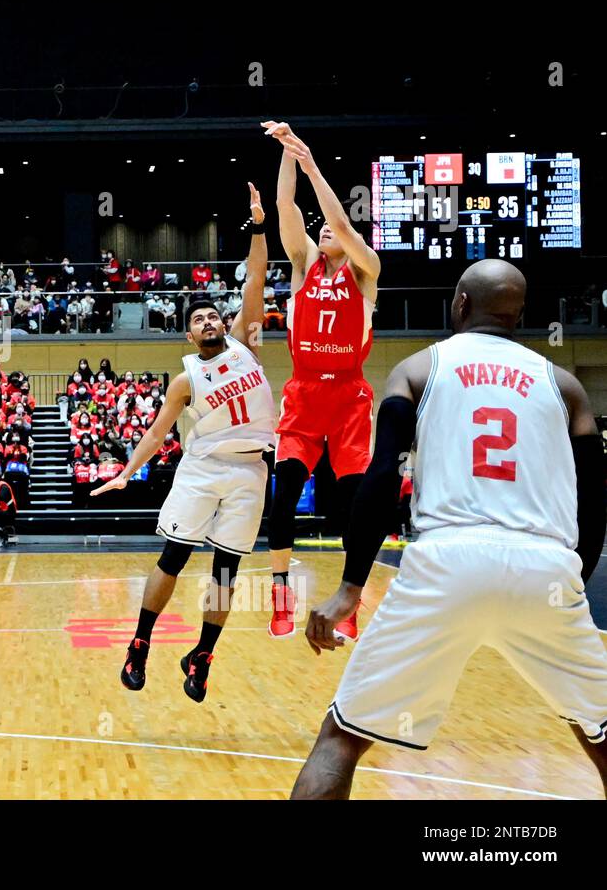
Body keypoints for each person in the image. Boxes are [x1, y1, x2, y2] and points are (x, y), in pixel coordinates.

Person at [291, 260, 607, 799]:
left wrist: (351, 587)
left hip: (446, 561)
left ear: (460, 304)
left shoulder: (418, 369)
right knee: (601, 735)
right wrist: (572, 580)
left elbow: (382, 476)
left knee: (340, 740)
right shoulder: (566, 385)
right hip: (544, 565)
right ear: (519, 313)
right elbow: (594, 500)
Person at [91, 184, 275, 703]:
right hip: (203, 468)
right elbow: (155, 432)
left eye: (213, 315)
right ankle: (140, 642)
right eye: (198, 320)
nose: (209, 321)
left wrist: (258, 224)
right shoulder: (186, 378)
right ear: (189, 338)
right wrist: (127, 472)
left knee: (226, 570)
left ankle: (202, 654)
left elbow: (255, 276)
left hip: (252, 471)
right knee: (173, 557)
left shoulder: (246, 345)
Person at [262, 120, 381, 640]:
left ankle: (349, 602)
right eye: (323, 228)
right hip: (305, 391)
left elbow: (342, 223)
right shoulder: (305, 262)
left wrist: (313, 163)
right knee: (284, 491)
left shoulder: (365, 268)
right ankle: (282, 594)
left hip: (349, 393)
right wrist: (289, 152)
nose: (326, 229)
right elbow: (288, 210)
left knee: (353, 501)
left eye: (333, 228)